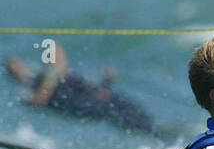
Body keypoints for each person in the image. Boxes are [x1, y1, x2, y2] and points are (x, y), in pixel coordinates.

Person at [6, 45, 154, 132]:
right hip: (83, 107)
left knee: (136, 113)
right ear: (12, 73)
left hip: (99, 97)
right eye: (15, 67)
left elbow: (80, 85)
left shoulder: (42, 74)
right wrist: (56, 70)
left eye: (19, 63)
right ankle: (156, 132)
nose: (20, 67)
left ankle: (159, 130)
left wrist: (106, 82)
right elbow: (38, 101)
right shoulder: (29, 86)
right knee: (125, 117)